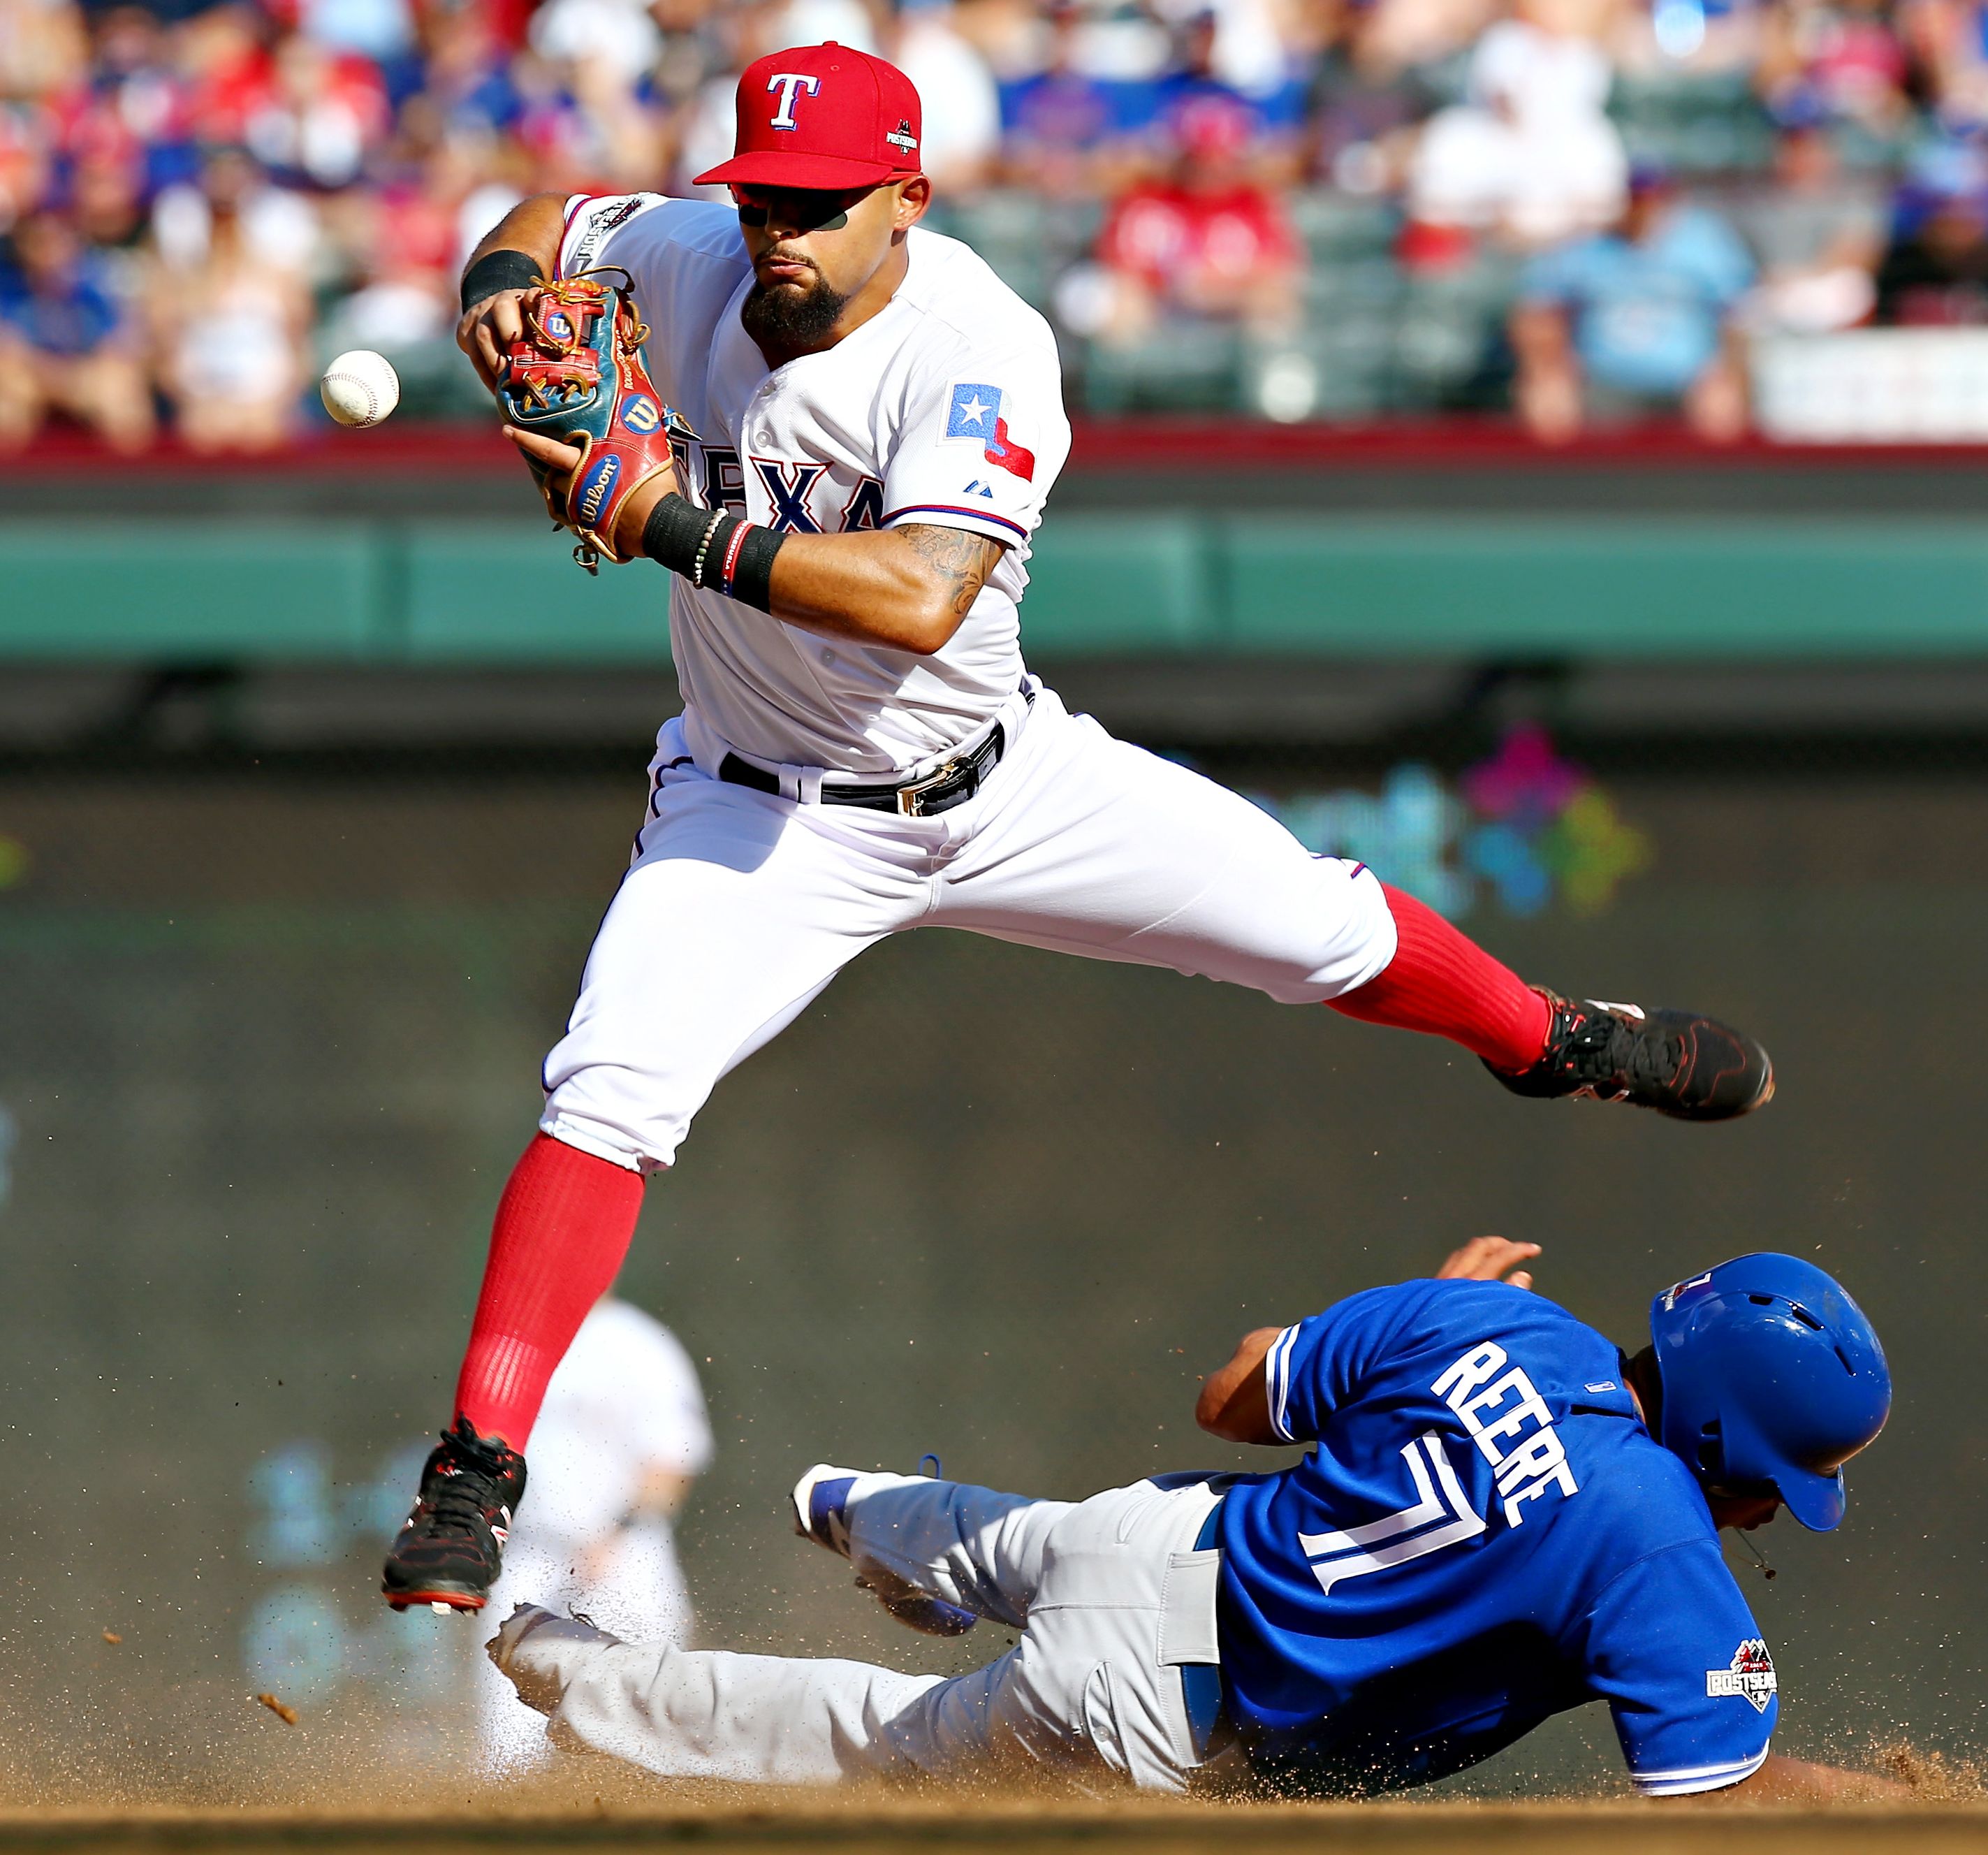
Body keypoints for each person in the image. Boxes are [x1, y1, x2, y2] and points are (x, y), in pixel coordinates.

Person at [381, 40, 1776, 1616]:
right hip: (756, 808)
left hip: (1001, 783)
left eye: (821, 203)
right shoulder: (695, 250)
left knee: (1321, 923)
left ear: (905, 198)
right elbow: (544, 218)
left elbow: (919, 597)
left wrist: (663, 516)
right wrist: (495, 287)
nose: (780, 227)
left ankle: (1550, 1037)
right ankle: (478, 1465)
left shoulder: (976, 344)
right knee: (610, 1084)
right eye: (763, 193)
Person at [484, 1239, 1897, 1801]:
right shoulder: (1659, 1553)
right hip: (1154, 1708)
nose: (1772, 1507)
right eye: (1779, 1476)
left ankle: (857, 1509)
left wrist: (1394, 1319)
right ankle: (569, 1662)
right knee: (874, 1744)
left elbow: (1233, 1392)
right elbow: (1723, 1796)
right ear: (1730, 1444)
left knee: (1000, 1537)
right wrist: (1924, 1808)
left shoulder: (1499, 1320)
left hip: (1152, 1536)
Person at [478, 1293, 711, 1772]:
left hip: (623, 1554)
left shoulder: (637, 1342)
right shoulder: (508, 1343)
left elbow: (674, 1461)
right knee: (508, 1747)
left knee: (652, 1729)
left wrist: (618, 1531)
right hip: (526, 1555)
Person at [1511, 166, 1755, 442]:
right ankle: (1560, 483)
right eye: (1637, 199)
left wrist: (1730, 371)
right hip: (1600, 376)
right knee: (1548, 399)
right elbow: (1538, 308)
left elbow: (1738, 313)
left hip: (1685, 380)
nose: (1646, 209)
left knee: (1722, 405)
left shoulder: (1703, 242)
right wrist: (1551, 364)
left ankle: (1711, 484)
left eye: (1654, 199)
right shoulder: (1591, 246)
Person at [0, 209, 154, 453]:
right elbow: (9, 350)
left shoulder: (97, 289)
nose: (49, 252)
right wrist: (49, 377)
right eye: (39, 241)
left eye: (59, 240)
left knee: (123, 401)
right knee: (7, 404)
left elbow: (121, 346)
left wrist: (73, 381)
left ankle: (128, 486)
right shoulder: (10, 291)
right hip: (32, 381)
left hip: (83, 379)